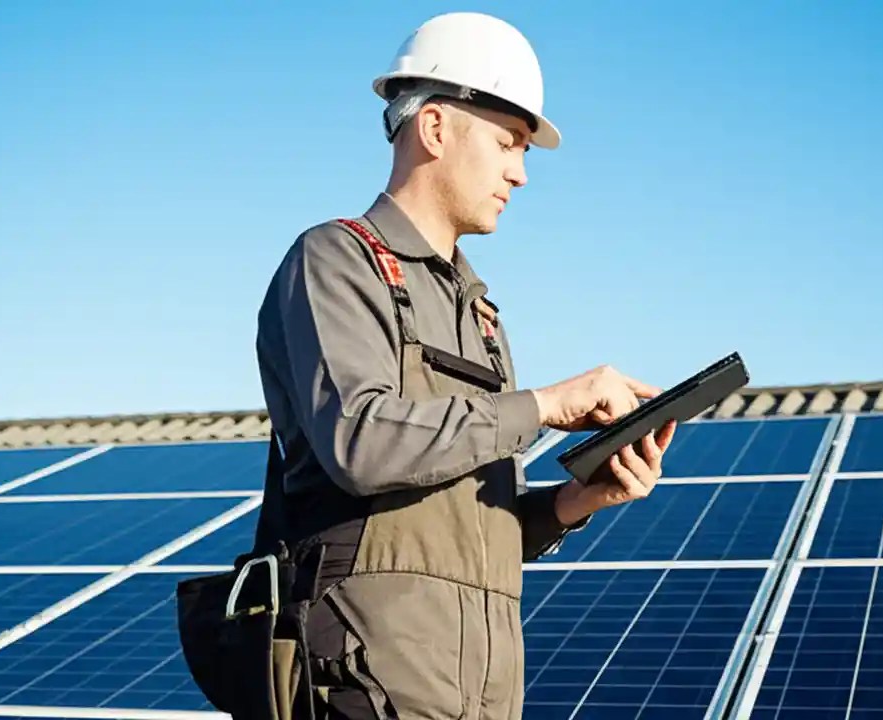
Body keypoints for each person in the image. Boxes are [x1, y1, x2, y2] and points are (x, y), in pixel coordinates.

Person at [250, 11, 677, 720]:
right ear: (437, 128)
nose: (520, 172)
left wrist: (578, 501)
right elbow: (363, 442)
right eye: (509, 143)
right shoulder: (334, 260)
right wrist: (544, 406)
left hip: (483, 694)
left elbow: (472, 532)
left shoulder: (481, 315)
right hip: (370, 685)